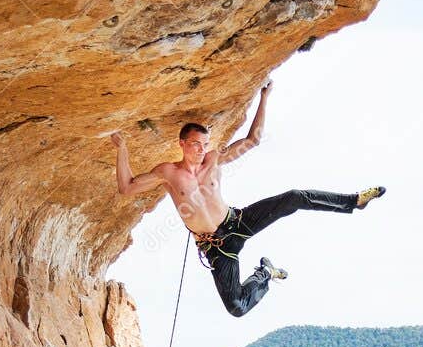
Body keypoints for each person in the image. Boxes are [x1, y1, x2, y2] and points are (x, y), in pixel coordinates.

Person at [111, 80, 386, 317]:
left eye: (205, 144)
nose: (201, 149)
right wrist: (122, 149)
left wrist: (264, 97)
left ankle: (354, 201)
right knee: (236, 307)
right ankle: (265, 275)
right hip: (216, 246)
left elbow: (253, 139)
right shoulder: (168, 172)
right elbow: (128, 187)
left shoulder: (214, 160)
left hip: (237, 222)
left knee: (293, 198)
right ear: (181, 143)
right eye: (195, 144)